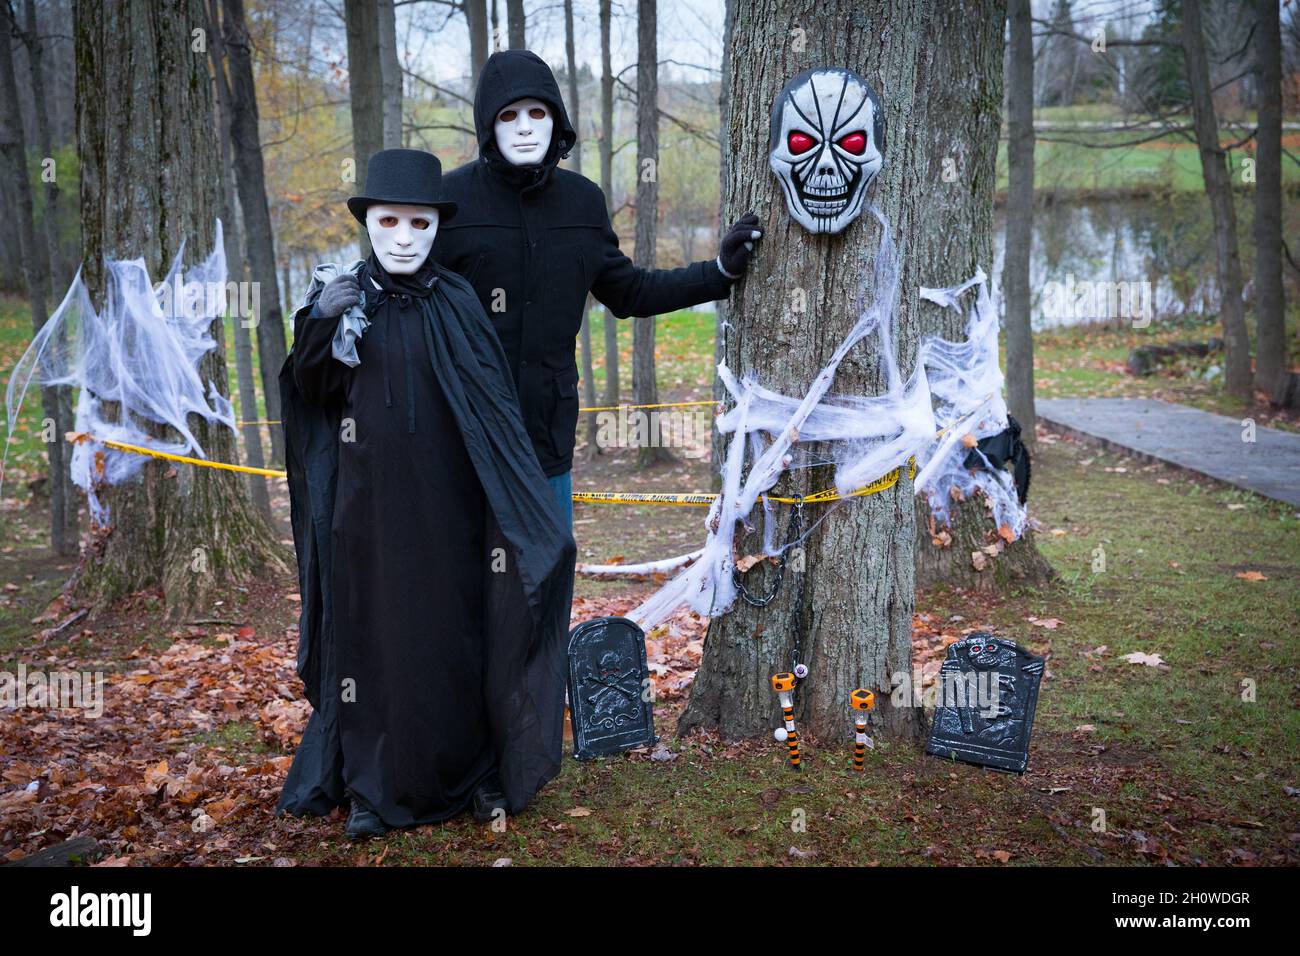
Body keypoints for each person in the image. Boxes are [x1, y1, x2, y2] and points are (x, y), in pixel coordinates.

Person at [274, 148, 576, 839]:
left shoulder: (458, 303)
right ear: (369, 224)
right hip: (367, 519)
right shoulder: (343, 299)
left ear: (436, 226)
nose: (403, 237)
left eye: (417, 223)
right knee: (374, 649)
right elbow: (312, 395)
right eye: (389, 222)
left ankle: (468, 773)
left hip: (451, 518)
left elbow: (491, 413)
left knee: (454, 642)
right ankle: (375, 789)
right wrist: (320, 324)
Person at [432, 49, 765, 529]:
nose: (524, 126)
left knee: (543, 583)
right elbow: (409, 298)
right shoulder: (450, 201)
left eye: (536, 113)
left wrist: (718, 273)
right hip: (463, 436)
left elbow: (630, 292)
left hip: (547, 437)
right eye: (508, 115)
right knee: (463, 587)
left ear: (556, 121)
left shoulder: (582, 202)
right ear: (488, 123)